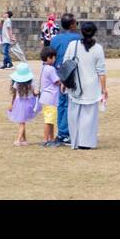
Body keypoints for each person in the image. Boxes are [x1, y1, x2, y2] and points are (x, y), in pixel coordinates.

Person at [62, 21, 107, 150]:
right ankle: (86, 142)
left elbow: (66, 64)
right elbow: (101, 71)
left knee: (73, 114)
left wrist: (63, 83)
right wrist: (104, 89)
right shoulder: (98, 48)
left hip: (76, 85)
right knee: (89, 117)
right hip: (91, 86)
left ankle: (75, 141)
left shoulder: (73, 45)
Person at [49, 13, 81, 145]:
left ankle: (62, 132)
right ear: (72, 24)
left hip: (59, 75)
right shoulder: (78, 38)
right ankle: (67, 133)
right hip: (73, 75)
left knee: (62, 104)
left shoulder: (55, 39)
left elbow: (51, 56)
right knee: (71, 104)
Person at [7, 62, 41, 146]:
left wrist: (12, 104)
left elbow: (14, 95)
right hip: (29, 103)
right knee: (23, 121)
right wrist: (38, 93)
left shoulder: (16, 83)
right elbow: (34, 94)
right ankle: (24, 139)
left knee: (21, 122)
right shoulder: (31, 83)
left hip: (19, 104)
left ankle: (18, 140)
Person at [38, 46, 61, 146]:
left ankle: (51, 138)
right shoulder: (50, 69)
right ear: (48, 58)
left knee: (50, 119)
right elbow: (57, 81)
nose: (54, 59)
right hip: (50, 98)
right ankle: (45, 139)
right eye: (53, 57)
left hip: (46, 97)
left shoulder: (44, 67)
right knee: (48, 120)